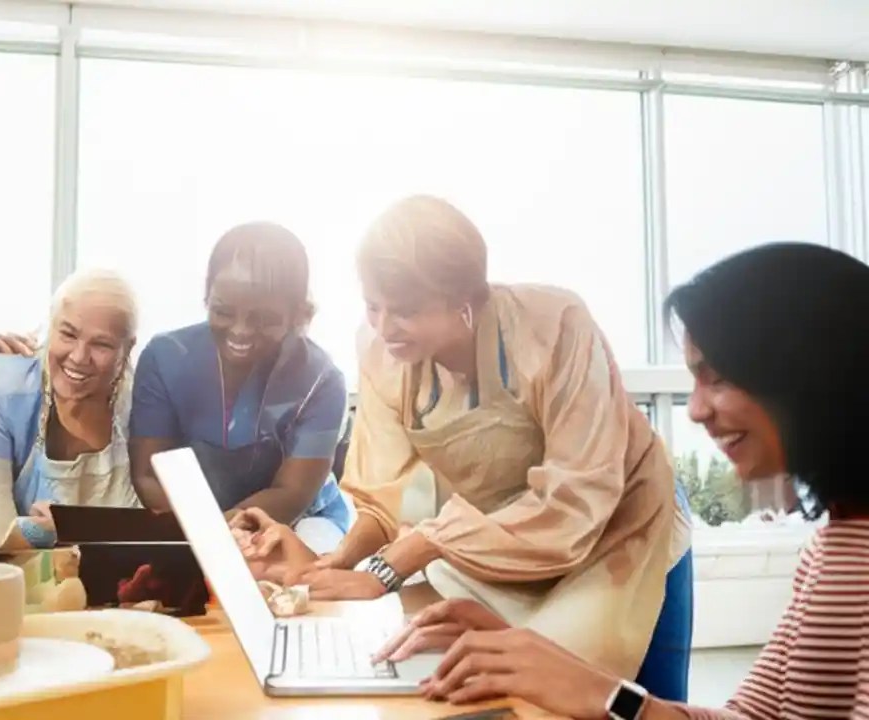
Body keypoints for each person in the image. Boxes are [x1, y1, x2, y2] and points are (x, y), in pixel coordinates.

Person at [241, 196, 693, 698]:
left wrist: (404, 558)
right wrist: (338, 564)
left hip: (617, 523)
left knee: (615, 697)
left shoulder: (556, 327)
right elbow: (380, 493)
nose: (385, 327)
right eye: (373, 306)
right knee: (506, 683)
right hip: (493, 537)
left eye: (406, 310)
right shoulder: (379, 350)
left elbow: (574, 505)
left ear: (463, 300)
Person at [409, 242, 869, 719]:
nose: (695, 410)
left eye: (718, 380)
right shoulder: (832, 546)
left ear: (808, 373)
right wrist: (529, 652)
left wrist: (610, 698)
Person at [130, 222, 352, 553]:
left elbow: (291, 494)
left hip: (297, 521)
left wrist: (223, 538)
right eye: (222, 311)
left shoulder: (322, 380)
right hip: (189, 521)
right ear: (207, 296)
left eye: (263, 318)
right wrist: (205, 535)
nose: (241, 331)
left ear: (296, 314)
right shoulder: (164, 359)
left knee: (294, 581)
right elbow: (149, 475)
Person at [0, 268, 141, 553]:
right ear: (49, 326)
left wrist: (74, 528)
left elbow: (159, 533)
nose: (78, 357)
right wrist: (65, 529)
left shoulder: (144, 409)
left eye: (102, 344)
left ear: (128, 348)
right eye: (68, 334)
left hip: (91, 590)